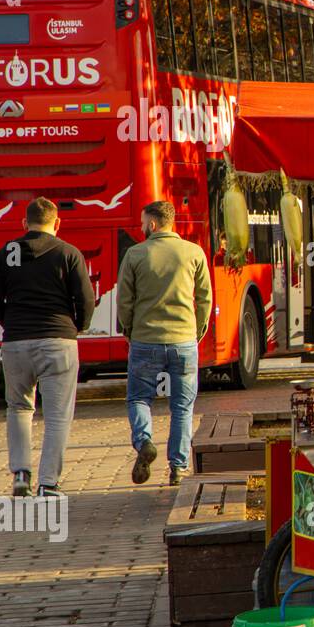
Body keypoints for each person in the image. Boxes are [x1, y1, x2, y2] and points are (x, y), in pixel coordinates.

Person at [0, 197, 95, 497]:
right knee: (58, 414)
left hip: (17, 343)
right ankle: (48, 483)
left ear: (24, 223)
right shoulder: (68, 253)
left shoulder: (7, 252)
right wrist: (77, 326)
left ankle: (20, 474)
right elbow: (85, 300)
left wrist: (12, 322)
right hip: (58, 340)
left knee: (18, 407)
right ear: (57, 223)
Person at [119, 201, 213, 486]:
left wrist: (128, 329)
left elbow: (125, 300)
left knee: (138, 398)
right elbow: (205, 298)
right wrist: (197, 331)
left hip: (145, 339)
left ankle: (144, 440)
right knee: (183, 407)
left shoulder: (135, 254)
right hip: (184, 340)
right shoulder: (194, 252)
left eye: (143, 222)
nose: (141, 226)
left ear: (154, 224)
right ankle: (178, 467)